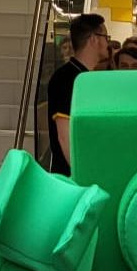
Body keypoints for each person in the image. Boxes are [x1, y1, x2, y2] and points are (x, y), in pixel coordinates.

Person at [43, 12, 109, 175]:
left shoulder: (85, 77)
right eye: (106, 37)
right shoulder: (66, 79)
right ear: (94, 39)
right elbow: (65, 137)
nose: (108, 44)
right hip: (71, 177)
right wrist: (83, 175)